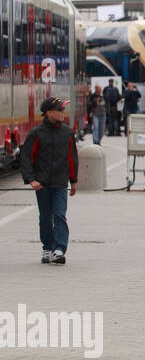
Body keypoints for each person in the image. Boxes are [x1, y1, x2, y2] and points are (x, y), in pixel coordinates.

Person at [19, 98, 78, 264]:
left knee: (59, 215)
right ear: (50, 113)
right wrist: (31, 180)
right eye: (60, 110)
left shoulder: (67, 133)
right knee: (45, 217)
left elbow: (72, 158)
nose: (62, 113)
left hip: (60, 183)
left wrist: (73, 181)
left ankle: (59, 249)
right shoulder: (36, 133)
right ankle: (47, 247)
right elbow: (26, 157)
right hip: (42, 183)